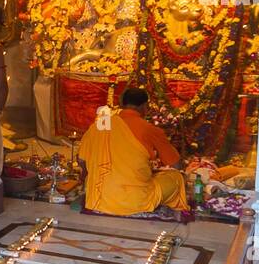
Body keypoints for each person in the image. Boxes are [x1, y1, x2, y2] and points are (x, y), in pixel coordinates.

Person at [78, 86, 188, 217]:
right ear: (144, 106)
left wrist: (87, 178)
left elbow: (81, 161)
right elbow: (176, 164)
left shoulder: (101, 124)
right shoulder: (149, 129)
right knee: (176, 178)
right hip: (136, 201)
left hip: (98, 198)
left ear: (122, 105)